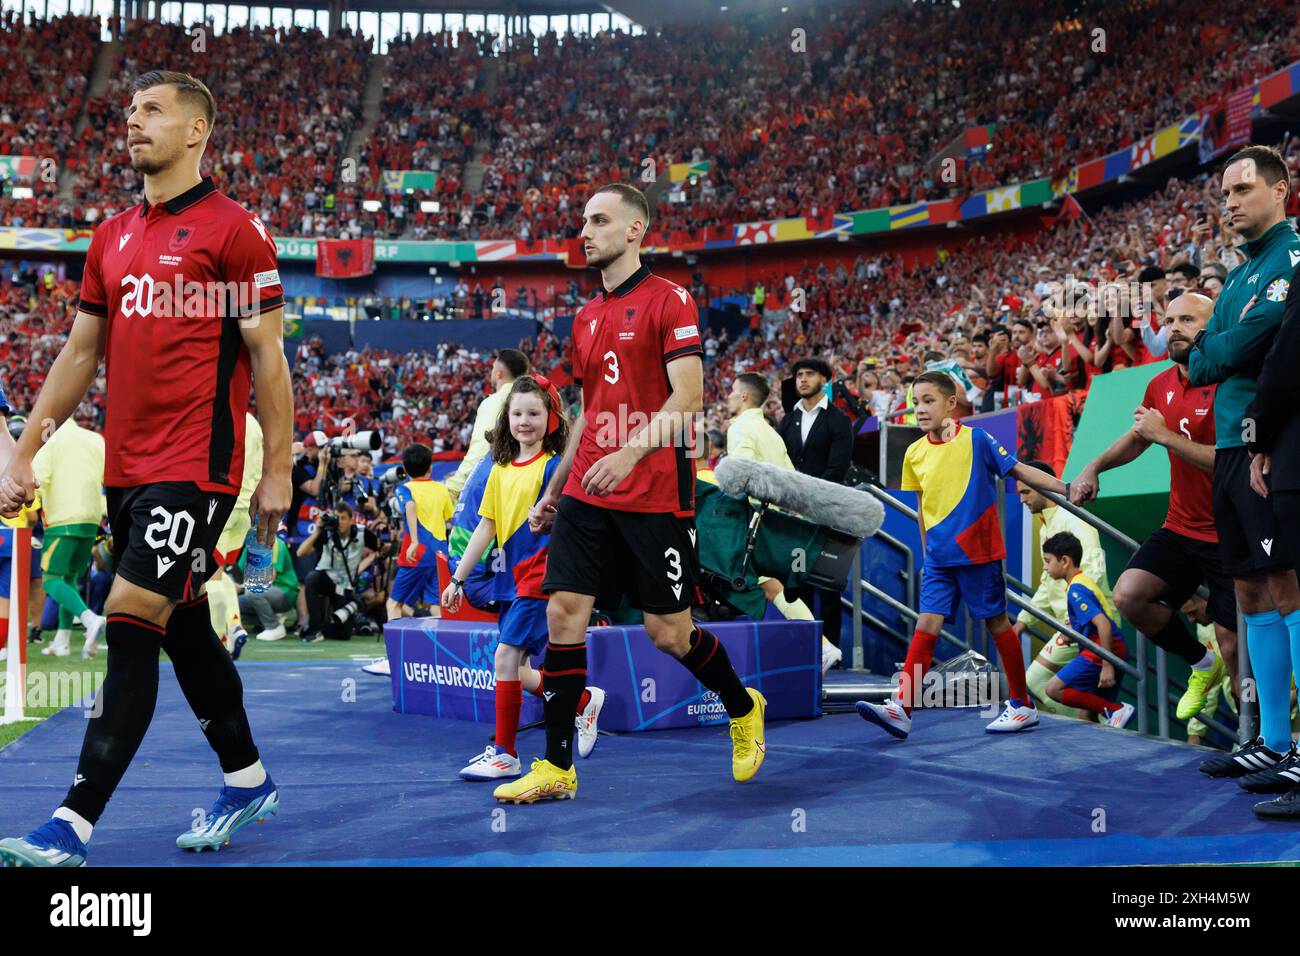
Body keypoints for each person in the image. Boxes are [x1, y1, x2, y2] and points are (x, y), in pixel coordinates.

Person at [0, 71, 292, 867]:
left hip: (196, 464)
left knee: (129, 618)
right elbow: (79, 353)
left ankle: (72, 823)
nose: (133, 121)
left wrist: (279, 469)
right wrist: (25, 449)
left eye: (152, 111)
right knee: (185, 626)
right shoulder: (111, 236)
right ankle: (247, 780)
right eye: (130, 110)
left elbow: (268, 358)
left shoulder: (236, 231)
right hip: (126, 470)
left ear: (197, 131)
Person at [501, 182, 766, 805]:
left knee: (668, 632)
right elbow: (591, 411)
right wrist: (557, 487)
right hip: (589, 490)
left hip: (654, 491)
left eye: (598, 221)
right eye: (583, 222)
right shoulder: (585, 317)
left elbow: (689, 399)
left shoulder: (671, 300)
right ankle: (558, 767)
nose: (585, 232)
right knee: (563, 612)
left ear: (634, 230)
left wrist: (628, 454)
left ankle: (741, 704)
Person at [855, 371, 1069, 738]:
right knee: (926, 625)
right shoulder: (914, 453)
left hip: (978, 553)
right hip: (938, 559)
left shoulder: (978, 439)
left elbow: (1019, 470)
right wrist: (927, 554)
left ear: (951, 403)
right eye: (916, 402)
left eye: (929, 401)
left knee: (997, 624)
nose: (921, 409)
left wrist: (1066, 488)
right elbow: (922, 509)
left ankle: (1022, 705)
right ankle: (902, 708)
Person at [1186, 145, 1300, 801]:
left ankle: (1296, 746)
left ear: (1281, 190)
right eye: (1225, 193)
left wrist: (1216, 346)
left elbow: (1249, 343)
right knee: (1251, 593)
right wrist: (1217, 347)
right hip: (1230, 448)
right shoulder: (1237, 275)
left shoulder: (1290, 258)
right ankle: (1274, 741)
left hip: (1270, 442)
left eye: (1243, 189)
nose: (1230, 203)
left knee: (1288, 586)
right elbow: (1201, 361)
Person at [1072, 293, 1236, 721]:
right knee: (1129, 596)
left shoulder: (1231, 381)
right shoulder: (1160, 384)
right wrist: (1094, 466)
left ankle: (1258, 741)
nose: (1175, 327)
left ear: (1214, 326)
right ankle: (1202, 663)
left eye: (1188, 319)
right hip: (1181, 527)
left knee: (1236, 651)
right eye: (1170, 320)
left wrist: (1166, 436)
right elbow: (1139, 436)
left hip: (1233, 534)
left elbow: (1229, 462)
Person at [443, 376, 604, 782]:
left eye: (534, 413)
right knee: (522, 669)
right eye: (517, 413)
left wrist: (554, 518)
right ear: (506, 418)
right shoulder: (498, 469)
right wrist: (457, 579)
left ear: (551, 418)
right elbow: (485, 528)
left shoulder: (555, 467)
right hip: (509, 579)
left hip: (542, 574)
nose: (524, 421)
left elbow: (577, 517)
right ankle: (583, 701)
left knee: (504, 657)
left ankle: (505, 753)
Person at [724, 372, 837, 670]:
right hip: (772, 520)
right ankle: (820, 646)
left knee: (764, 586)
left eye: (732, 391)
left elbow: (738, 475)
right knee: (772, 588)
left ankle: (819, 646)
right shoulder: (771, 434)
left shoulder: (740, 428)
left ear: (744, 396)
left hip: (751, 521)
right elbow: (791, 481)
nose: (728, 396)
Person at [1014, 459, 1112, 719]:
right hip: (1075, 625)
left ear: (1042, 485)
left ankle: (1109, 719)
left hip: (1088, 623)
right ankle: (1104, 723)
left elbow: (1093, 570)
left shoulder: (1072, 517)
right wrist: (1023, 621)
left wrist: (1076, 619)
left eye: (1026, 491)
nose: (1022, 499)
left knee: (1036, 680)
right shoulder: (1047, 526)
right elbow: (1047, 584)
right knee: (1084, 705)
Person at [777, 356, 854, 653]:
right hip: (792, 519)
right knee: (798, 584)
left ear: (825, 379)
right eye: (799, 375)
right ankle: (805, 652)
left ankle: (831, 651)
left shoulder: (838, 420)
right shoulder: (787, 420)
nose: (803, 379)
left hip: (826, 515)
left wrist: (805, 501)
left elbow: (837, 469)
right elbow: (780, 463)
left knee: (829, 588)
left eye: (809, 374)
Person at [28, 417, 107, 660]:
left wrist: (26, 506)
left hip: (63, 519)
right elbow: (106, 477)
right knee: (70, 578)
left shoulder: (50, 441)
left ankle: (90, 619)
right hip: (91, 518)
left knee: (51, 579)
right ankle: (61, 642)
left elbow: (38, 480)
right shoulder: (96, 439)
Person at [1040, 532, 1136, 729]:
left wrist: (1107, 664)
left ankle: (1116, 710)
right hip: (1111, 648)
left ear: (1064, 561)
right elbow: (1092, 623)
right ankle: (1112, 714)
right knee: (1087, 713)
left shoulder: (1077, 589)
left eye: (1048, 561)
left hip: (1103, 650)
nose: (1045, 567)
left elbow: (1103, 624)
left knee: (1053, 689)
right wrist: (1073, 633)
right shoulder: (1081, 581)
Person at [207, 411, 263, 658]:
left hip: (219, 505)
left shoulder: (218, 414)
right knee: (219, 571)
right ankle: (234, 625)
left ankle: (218, 642)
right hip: (244, 509)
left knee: (207, 576)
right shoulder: (254, 424)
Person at [443, 349, 530, 504]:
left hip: (495, 488)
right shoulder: (535, 400)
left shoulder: (494, 402)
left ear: (499, 373)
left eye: (492, 368)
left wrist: (453, 488)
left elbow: (481, 450)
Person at [386, 443, 454, 621]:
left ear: (405, 469)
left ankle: (394, 641)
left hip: (416, 554)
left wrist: (415, 541)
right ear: (430, 467)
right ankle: (441, 640)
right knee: (436, 605)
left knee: (394, 604)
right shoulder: (441, 488)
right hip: (439, 554)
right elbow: (449, 517)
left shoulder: (404, 488)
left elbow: (409, 506)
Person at [296, 502, 376, 640]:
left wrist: (368, 560)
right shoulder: (327, 532)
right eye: (337, 517)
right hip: (327, 579)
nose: (340, 522)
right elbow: (300, 553)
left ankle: (324, 627)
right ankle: (315, 628)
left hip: (345, 585)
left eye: (343, 518)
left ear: (351, 520)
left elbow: (381, 549)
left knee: (343, 635)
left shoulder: (362, 533)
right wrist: (317, 531)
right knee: (312, 578)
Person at [238, 530, 300, 643]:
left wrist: (242, 587)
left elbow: (269, 577)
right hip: (265, 592)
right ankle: (273, 619)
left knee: (253, 591)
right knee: (237, 603)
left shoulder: (276, 544)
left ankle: (273, 626)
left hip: (285, 591)